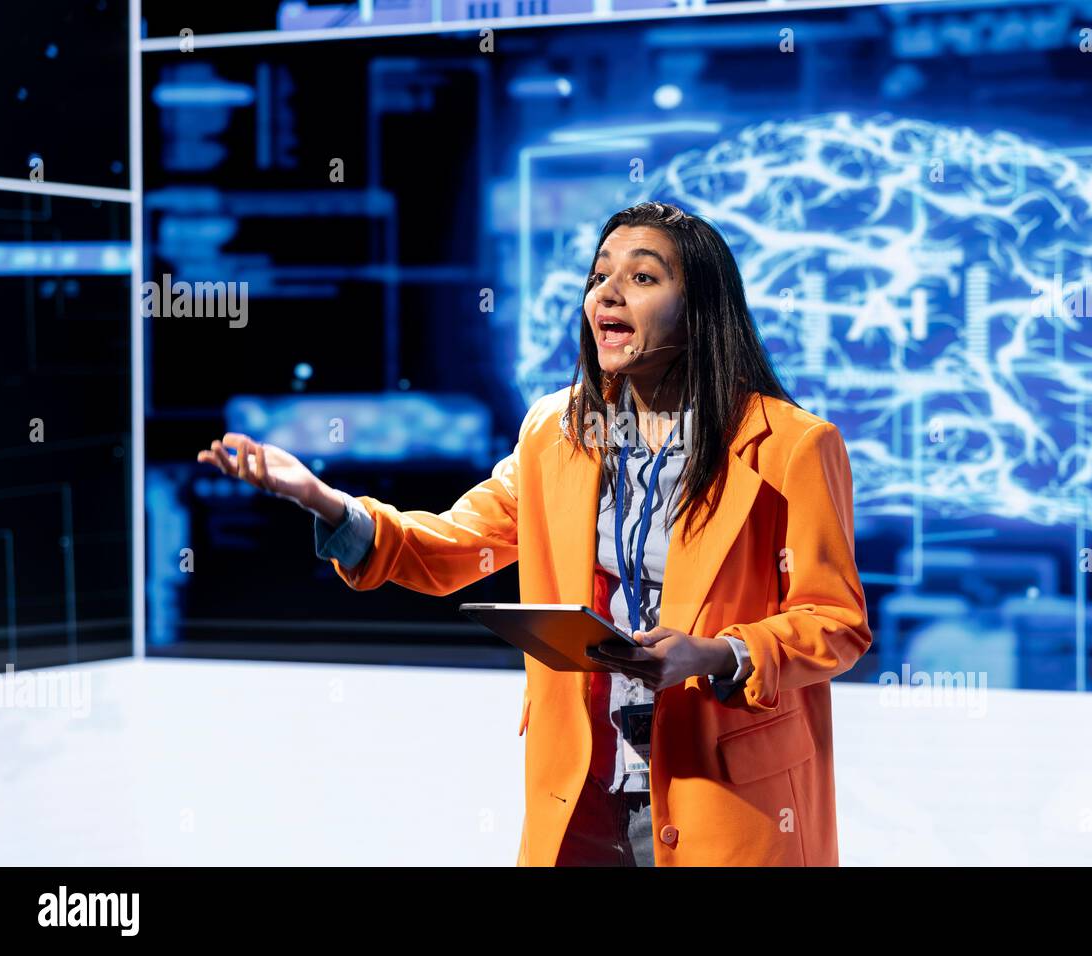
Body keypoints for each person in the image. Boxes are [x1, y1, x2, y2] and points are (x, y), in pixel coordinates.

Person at [197, 200, 874, 866]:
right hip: (584, 791)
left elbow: (835, 623)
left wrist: (716, 654)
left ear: (700, 311)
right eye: (600, 274)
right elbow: (452, 548)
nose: (608, 293)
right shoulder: (557, 430)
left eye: (642, 277)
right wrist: (324, 500)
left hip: (728, 797)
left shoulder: (791, 445)